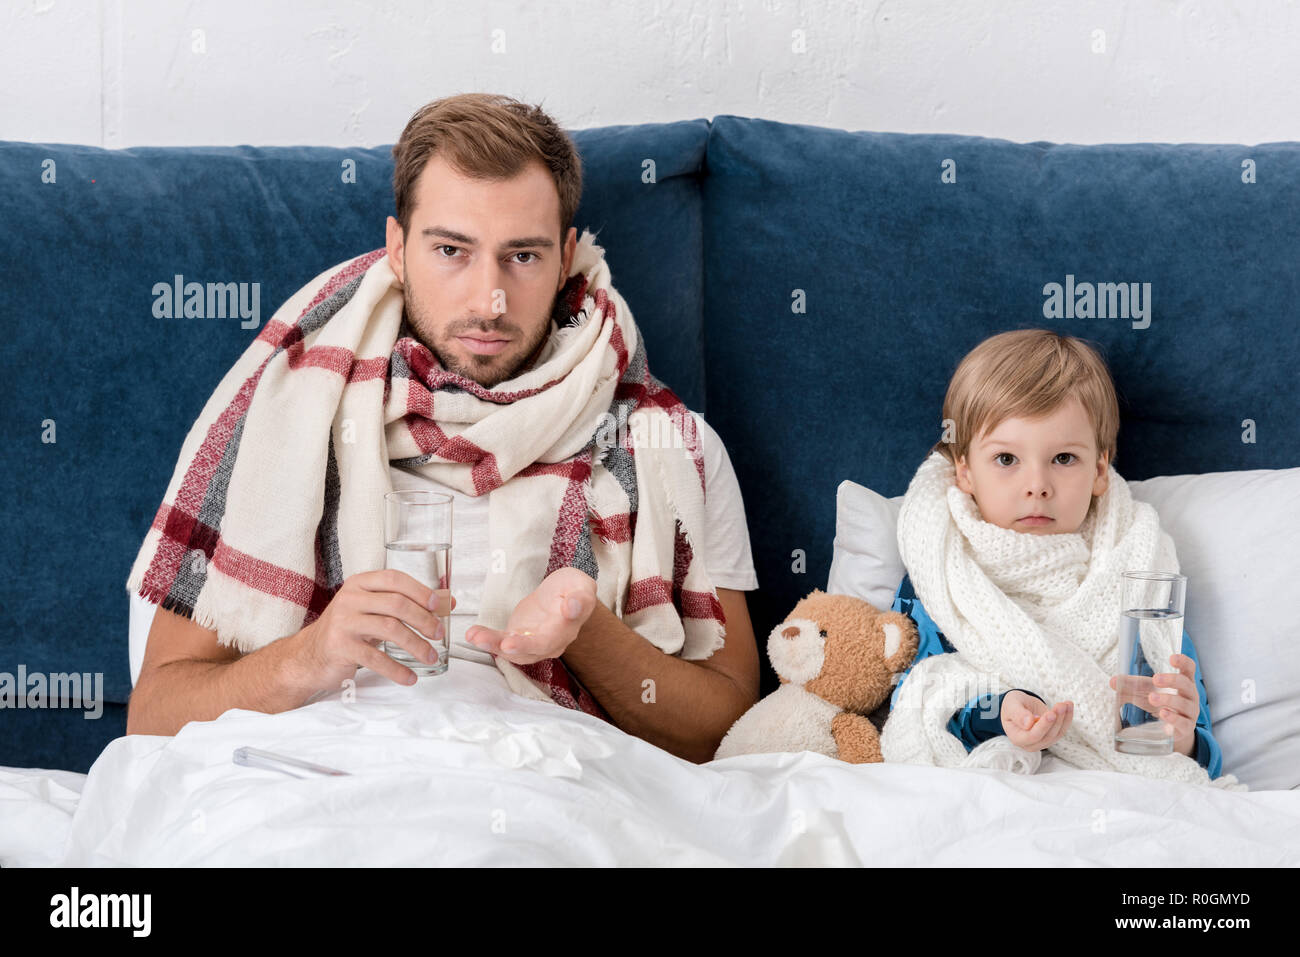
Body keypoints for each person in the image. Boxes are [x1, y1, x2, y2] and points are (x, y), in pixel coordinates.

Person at [126, 93, 759, 764]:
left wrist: (586, 631)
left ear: (567, 255)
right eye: (452, 249)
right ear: (398, 249)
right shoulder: (284, 420)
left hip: (550, 784)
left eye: (522, 256)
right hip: (320, 781)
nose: (488, 300)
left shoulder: (665, 443)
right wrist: (311, 654)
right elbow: (155, 713)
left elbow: (728, 726)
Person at [879, 329, 1240, 788]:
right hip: (996, 785)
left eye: (1064, 458)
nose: (1037, 484)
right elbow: (917, 694)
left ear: (1100, 470)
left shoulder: (1137, 568)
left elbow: (1201, 759)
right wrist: (997, 713)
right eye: (1007, 459)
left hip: (1121, 790)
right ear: (965, 471)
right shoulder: (943, 567)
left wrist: (1185, 737)